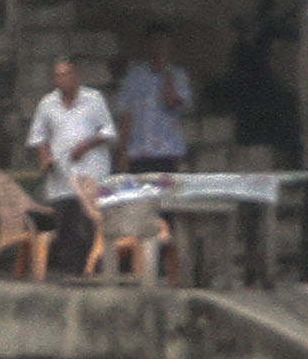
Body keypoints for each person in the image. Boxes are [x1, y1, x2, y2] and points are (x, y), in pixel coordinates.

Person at [26, 57, 116, 276]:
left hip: (91, 173)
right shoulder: (47, 104)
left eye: (67, 74)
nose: (63, 79)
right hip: (62, 176)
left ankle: (94, 267)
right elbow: (38, 137)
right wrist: (45, 158)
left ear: (75, 76)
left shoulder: (93, 99)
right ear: (54, 80)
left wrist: (86, 145)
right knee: (65, 223)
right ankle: (70, 269)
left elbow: (109, 131)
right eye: (59, 75)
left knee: (91, 221)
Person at [115, 28, 196, 174]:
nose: (159, 47)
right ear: (148, 45)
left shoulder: (179, 76)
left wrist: (166, 75)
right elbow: (126, 116)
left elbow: (171, 102)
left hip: (167, 151)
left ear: (170, 46)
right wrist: (122, 152)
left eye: (164, 43)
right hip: (139, 153)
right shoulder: (134, 77)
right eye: (156, 43)